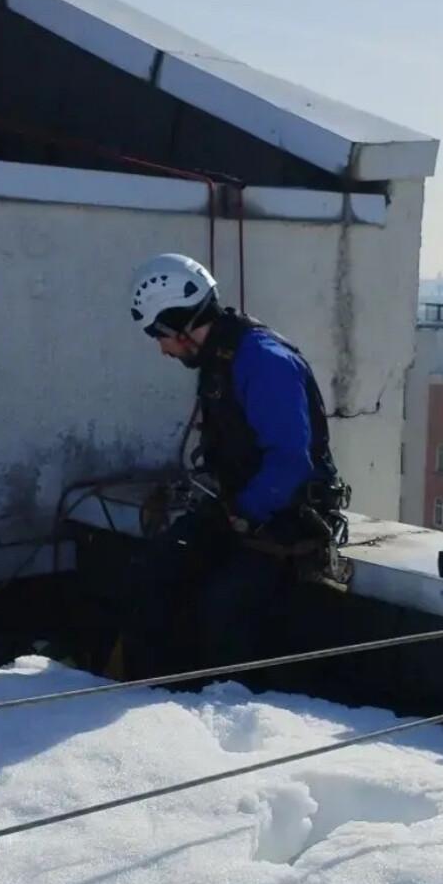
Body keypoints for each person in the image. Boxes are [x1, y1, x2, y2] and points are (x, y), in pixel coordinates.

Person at [123, 253, 347, 677]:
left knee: (225, 611)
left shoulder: (263, 362)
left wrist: (243, 512)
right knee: (153, 574)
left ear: (179, 323)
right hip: (243, 507)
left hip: (286, 517)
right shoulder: (220, 360)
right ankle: (153, 702)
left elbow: (289, 461)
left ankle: (228, 718)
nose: (161, 348)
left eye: (160, 334)